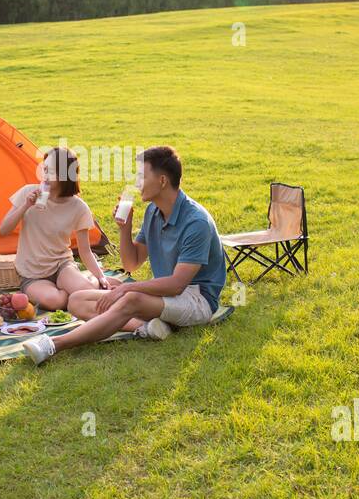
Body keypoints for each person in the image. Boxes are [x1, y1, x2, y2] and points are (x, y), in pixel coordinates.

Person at [22, 145, 225, 366]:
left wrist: (128, 287)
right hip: (166, 297)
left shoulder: (196, 222)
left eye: (141, 176)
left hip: (196, 300)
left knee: (130, 297)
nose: (137, 183)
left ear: (162, 181)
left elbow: (177, 285)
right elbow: (132, 263)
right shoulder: (154, 212)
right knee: (77, 300)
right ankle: (148, 328)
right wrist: (124, 229)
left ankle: (55, 344)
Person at [0, 146, 110, 310]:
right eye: (44, 169)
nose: (44, 176)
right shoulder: (28, 193)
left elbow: (85, 251)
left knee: (89, 293)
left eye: (51, 171)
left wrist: (101, 276)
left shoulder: (78, 207)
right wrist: (25, 206)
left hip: (62, 265)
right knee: (57, 302)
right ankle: (74, 289)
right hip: (32, 274)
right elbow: (4, 229)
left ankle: (85, 285)